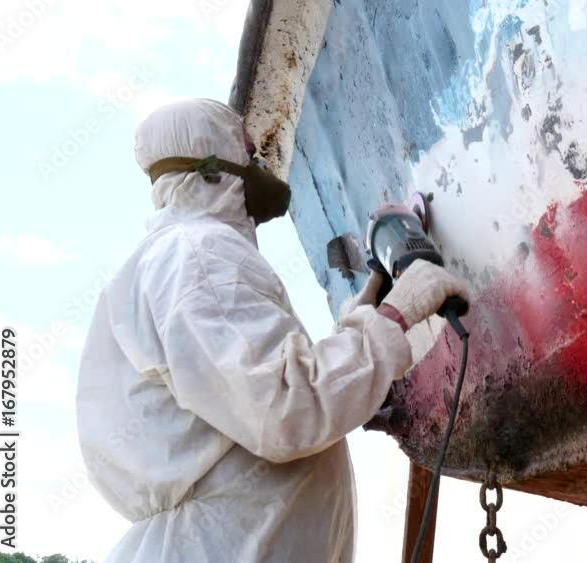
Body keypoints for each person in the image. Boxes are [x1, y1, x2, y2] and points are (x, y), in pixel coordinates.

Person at [76, 98, 468, 562]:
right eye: (247, 152)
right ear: (212, 163)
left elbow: (266, 389)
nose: (260, 164)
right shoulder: (199, 257)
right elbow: (284, 410)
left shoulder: (187, 255)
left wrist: (364, 318)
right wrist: (393, 320)